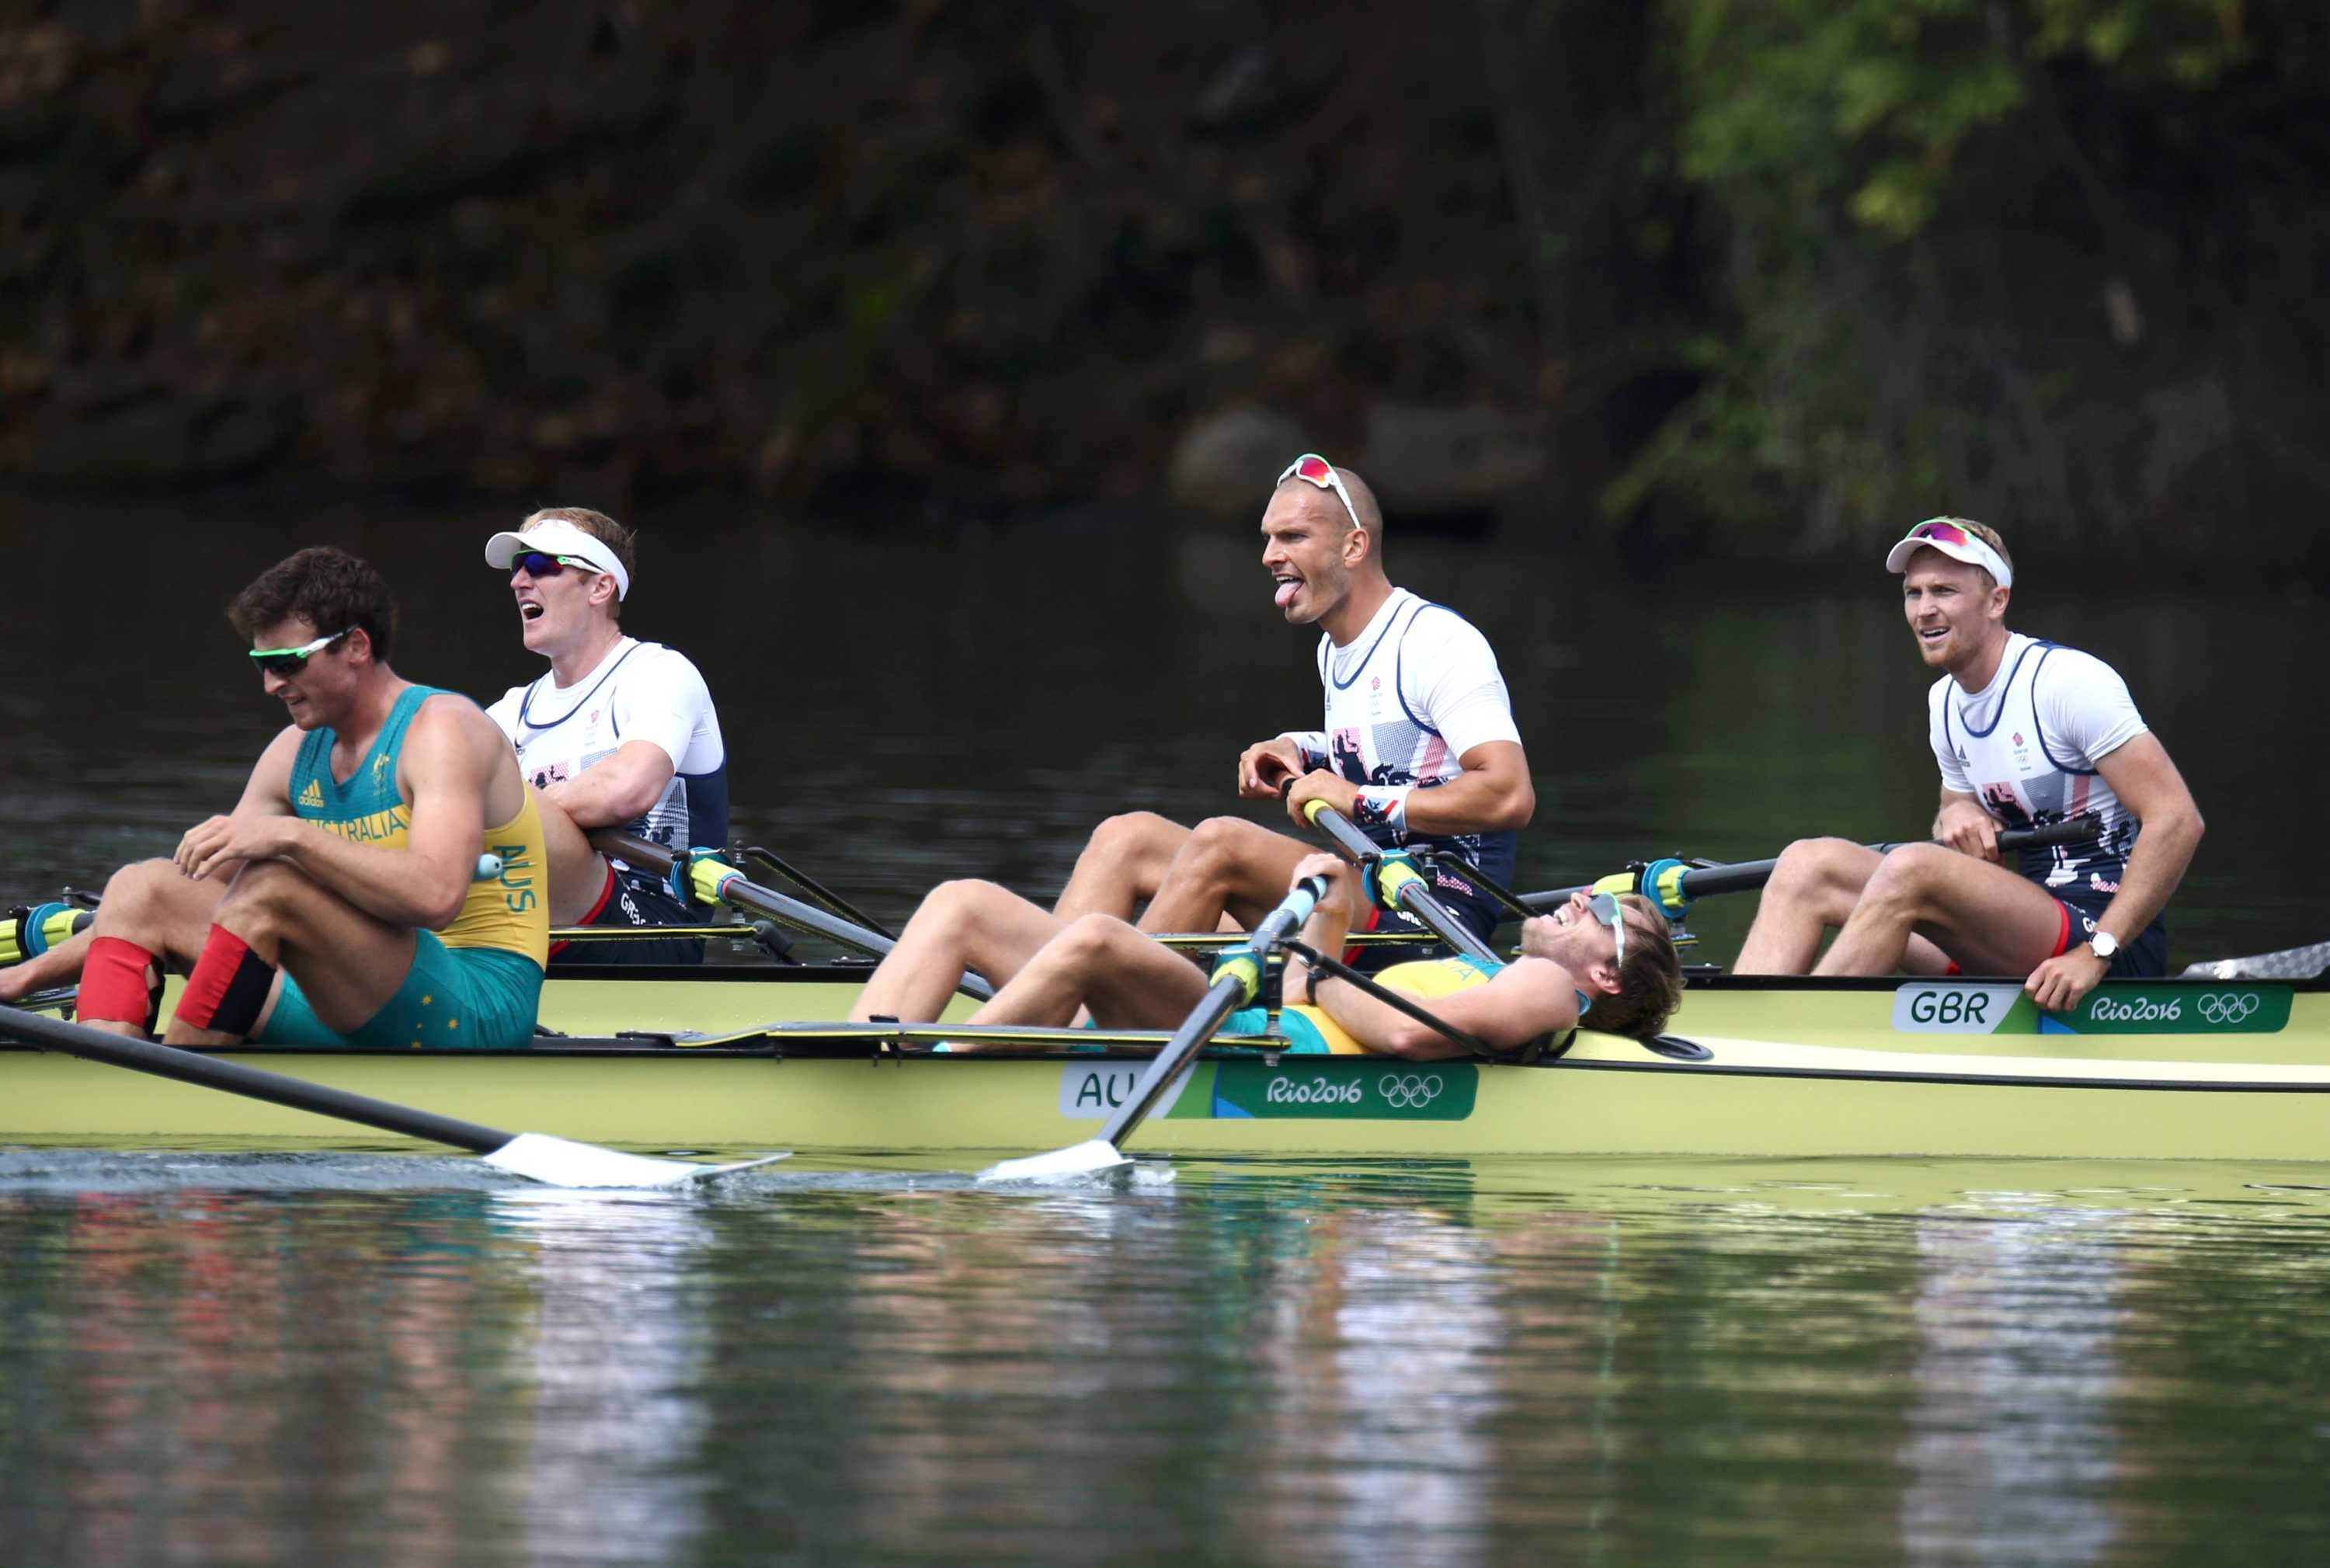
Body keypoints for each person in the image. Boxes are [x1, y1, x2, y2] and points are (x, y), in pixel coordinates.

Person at [0, 547, 549, 1045]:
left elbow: (436, 897)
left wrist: (292, 835)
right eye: (262, 665)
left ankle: (174, 1086)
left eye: (287, 663)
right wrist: (23, 976)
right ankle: (109, 1075)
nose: (271, 685)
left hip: (474, 1007)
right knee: (142, 886)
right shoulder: (294, 752)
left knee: (273, 881)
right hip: (346, 995)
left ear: (356, 645)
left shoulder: (442, 730)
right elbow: (157, 905)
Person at [1053, 454, 1533, 951]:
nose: (1268, 556)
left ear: (1353, 547)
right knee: (1126, 838)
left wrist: (1357, 799)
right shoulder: (1335, 649)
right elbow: (1396, 743)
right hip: (1360, 891)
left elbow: (1509, 794)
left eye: (1293, 537)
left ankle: (1101, 1004)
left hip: (1433, 919)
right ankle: (1044, 1004)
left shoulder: (1438, 642)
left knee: (1223, 843)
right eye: (1268, 538)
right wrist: (1299, 748)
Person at [1734, 516, 2204, 1011]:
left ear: (1997, 600)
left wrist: (2097, 953)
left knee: (1913, 868)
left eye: (1944, 591)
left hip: (2106, 945)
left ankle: (1805, 1033)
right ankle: (1740, 1036)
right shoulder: (1945, 704)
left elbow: (2176, 820)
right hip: (2017, 933)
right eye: (1913, 593)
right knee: (1807, 864)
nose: (1924, 610)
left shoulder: (2068, 683)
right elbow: (1954, 802)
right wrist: (1954, 813)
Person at [852, 856, 1681, 1054]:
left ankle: (939, 1070)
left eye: (1604, 913)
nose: (1582, 899)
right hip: (1268, 1024)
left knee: (1101, 939)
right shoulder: (1508, 973)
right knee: (964, 902)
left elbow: (1404, 1037)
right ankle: (861, 1047)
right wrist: (1331, 902)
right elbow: (1307, 988)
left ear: (1603, 976)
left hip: (1251, 1044)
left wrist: (1321, 972)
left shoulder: (1547, 989)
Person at [482, 507, 730, 964]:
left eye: (540, 564)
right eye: (518, 567)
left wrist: (481, 823)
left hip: (652, 933)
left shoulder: (658, 674)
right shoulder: (511, 711)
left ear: (600, 586)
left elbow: (626, 790)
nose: (519, 581)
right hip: (530, 920)